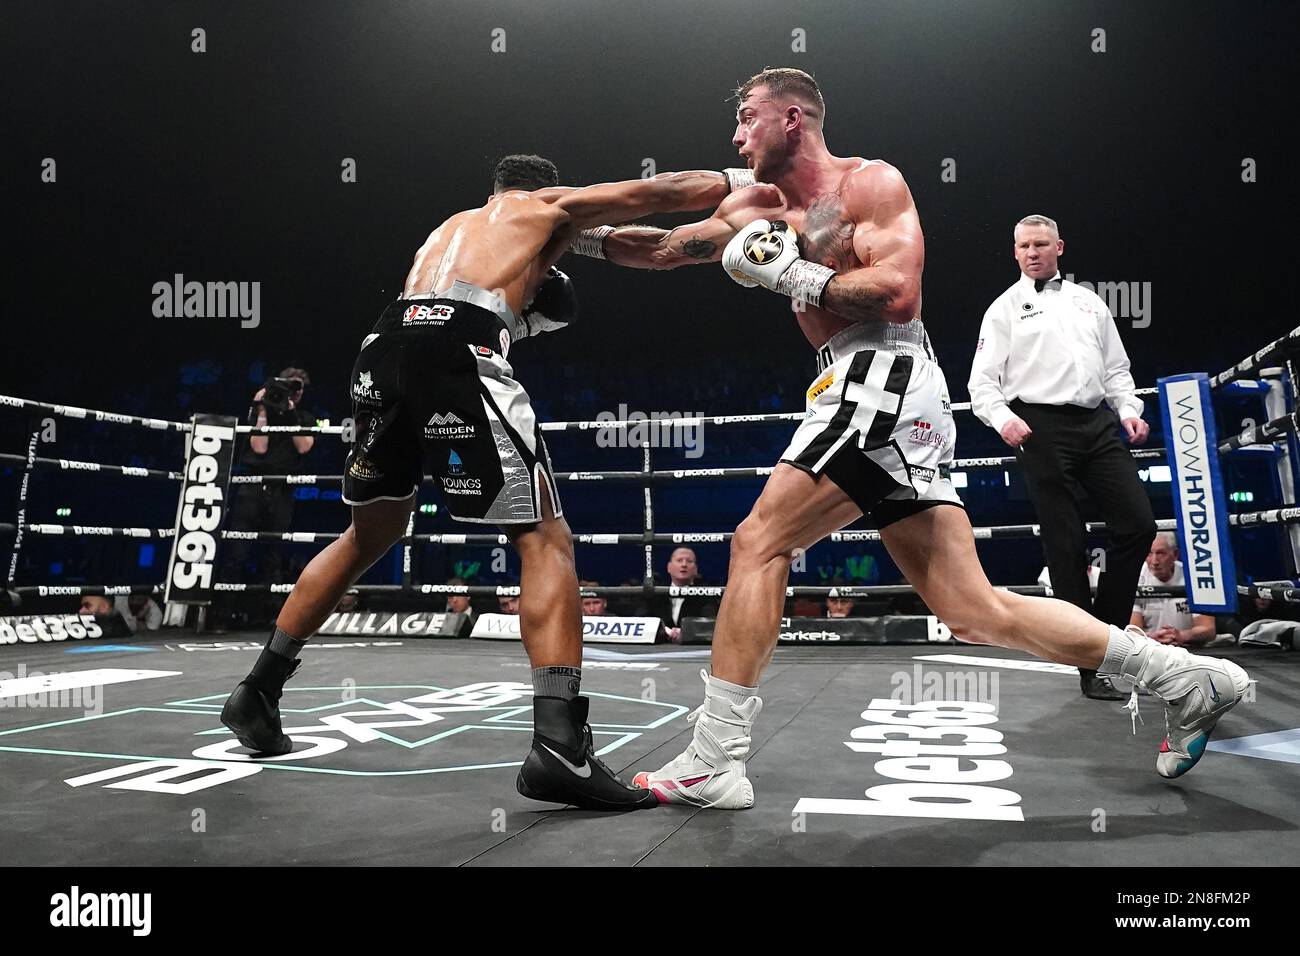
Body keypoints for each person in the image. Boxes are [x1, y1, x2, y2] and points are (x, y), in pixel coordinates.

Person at [579, 68, 1249, 807]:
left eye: (746, 118)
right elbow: (667, 247)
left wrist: (791, 276)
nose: (736, 137)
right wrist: (562, 235)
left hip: (884, 371)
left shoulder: (869, 186)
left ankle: (715, 759)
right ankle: (1185, 678)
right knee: (972, 609)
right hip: (871, 388)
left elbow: (896, 293)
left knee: (759, 540)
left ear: (792, 118)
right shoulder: (752, 204)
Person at [219, 154, 733, 811]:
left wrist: (719, 238)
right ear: (543, 189)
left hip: (381, 350)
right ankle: (559, 745)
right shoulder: (545, 209)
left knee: (366, 534)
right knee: (545, 540)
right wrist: (751, 187)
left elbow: (652, 248)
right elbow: (655, 195)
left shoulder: (457, 229)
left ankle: (259, 690)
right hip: (455, 350)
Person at [968, 215, 1157, 700]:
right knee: (1065, 542)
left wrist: (1129, 409)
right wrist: (1003, 419)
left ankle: (1108, 636)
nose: (1032, 252)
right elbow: (981, 383)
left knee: (1138, 526)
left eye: (1041, 244)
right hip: (1040, 426)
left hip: (1097, 424)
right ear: (1014, 252)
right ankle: (1092, 664)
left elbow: (1117, 369)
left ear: (1060, 247)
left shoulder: (1089, 302)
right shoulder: (1003, 309)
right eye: (1023, 245)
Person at [212, 368, 315, 630]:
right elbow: (259, 447)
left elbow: (304, 446)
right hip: (253, 487)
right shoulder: (261, 414)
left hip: (282, 490)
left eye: (298, 387)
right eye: (288, 387)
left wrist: (289, 412)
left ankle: (271, 619)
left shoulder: (303, 417)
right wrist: (261, 408)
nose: (293, 392)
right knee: (237, 551)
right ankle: (222, 616)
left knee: (274, 555)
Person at [1130, 533, 1215, 646]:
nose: (1154, 561)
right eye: (1149, 553)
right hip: (1149, 650)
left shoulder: (1193, 577)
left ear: (1175, 554)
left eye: (1161, 553)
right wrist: (1152, 638)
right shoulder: (1135, 577)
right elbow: (1133, 630)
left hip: (1189, 650)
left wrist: (1182, 635)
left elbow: (1208, 629)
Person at [647, 547, 718, 641]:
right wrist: (662, 631)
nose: (684, 564)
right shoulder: (656, 594)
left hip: (692, 650)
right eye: (679, 560)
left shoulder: (705, 596)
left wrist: (686, 632)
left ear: (696, 569)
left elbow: (710, 624)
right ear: (669, 567)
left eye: (689, 561)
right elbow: (643, 618)